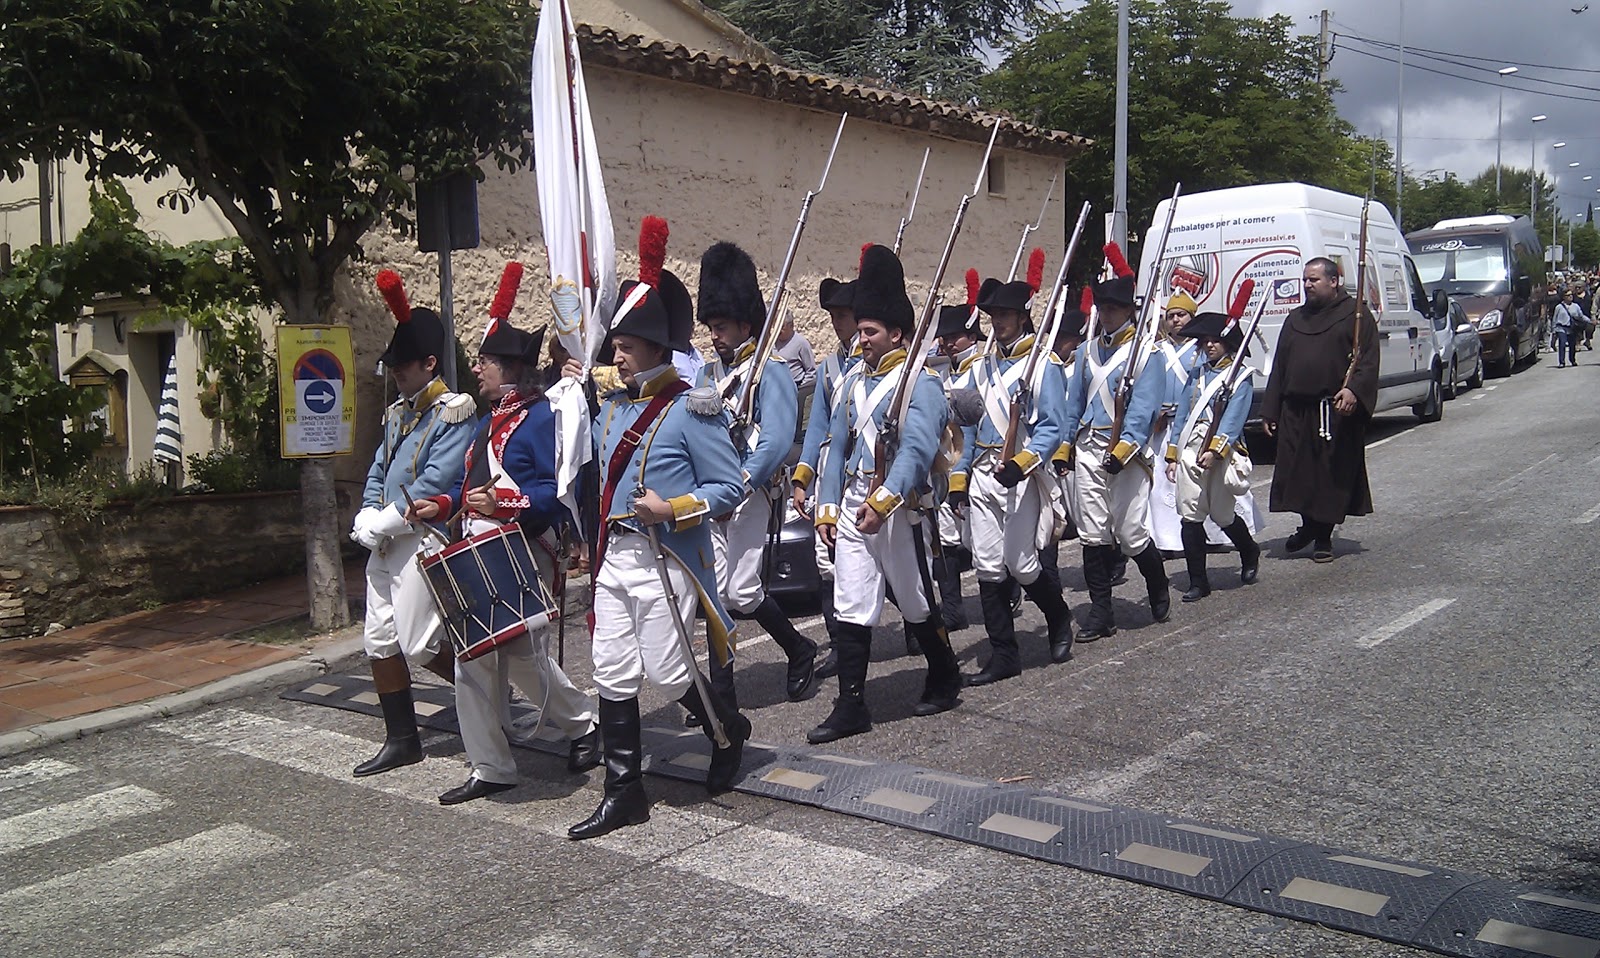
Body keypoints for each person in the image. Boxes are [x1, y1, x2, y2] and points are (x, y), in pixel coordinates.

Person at [566, 217, 750, 841]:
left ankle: (727, 729)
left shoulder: (692, 409)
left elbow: (730, 487)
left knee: (670, 674)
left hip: (664, 557)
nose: (615, 355)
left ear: (654, 348)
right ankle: (624, 792)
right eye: (615, 345)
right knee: (611, 669)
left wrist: (671, 509)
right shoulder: (615, 408)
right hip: (615, 557)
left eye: (625, 346)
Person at [405, 263, 600, 805]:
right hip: (477, 550)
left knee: (522, 659)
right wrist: (442, 504)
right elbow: (469, 485)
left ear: (510, 369)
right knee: (471, 661)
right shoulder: (485, 421)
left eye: (485, 361)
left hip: (522, 550)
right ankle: (491, 766)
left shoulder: (539, 418)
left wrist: (503, 503)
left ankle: (584, 722)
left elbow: (552, 494)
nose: (477, 368)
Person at [808, 244, 961, 744]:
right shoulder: (853, 380)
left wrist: (883, 501)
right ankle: (851, 704)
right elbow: (836, 445)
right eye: (860, 331)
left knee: (915, 602)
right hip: (856, 504)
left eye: (870, 331)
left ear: (896, 333)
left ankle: (945, 674)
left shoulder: (921, 383)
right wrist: (827, 507)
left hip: (899, 509)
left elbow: (917, 449)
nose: (861, 339)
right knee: (851, 601)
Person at [349, 270, 476, 777]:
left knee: (421, 643)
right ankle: (402, 739)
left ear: (430, 363)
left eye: (403, 366)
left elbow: (434, 482)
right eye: (394, 365)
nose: (396, 373)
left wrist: (381, 523)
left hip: (421, 538)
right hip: (385, 542)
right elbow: (378, 470)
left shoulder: (454, 412)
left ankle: (486, 695)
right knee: (380, 639)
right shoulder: (397, 415)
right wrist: (365, 513)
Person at [695, 241, 818, 705]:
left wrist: (738, 485)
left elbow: (776, 441)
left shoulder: (772, 373)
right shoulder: (708, 376)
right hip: (712, 495)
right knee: (713, 593)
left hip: (751, 491)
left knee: (743, 591)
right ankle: (721, 694)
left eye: (722, 327)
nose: (714, 336)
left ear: (746, 325)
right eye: (711, 327)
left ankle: (799, 649)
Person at [952, 253, 1075, 686]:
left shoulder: (1044, 366)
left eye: (1005, 314)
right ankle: (1004, 654)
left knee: (1022, 564)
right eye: (993, 315)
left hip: (1020, 475)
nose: (998, 322)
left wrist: (1022, 465)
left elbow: (1053, 427)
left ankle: (1058, 618)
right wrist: (959, 478)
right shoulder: (980, 367)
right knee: (987, 566)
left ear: (1023, 317)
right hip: (984, 473)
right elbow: (969, 427)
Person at [1058, 244, 1170, 640]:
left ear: (1127, 312)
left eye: (1113, 309)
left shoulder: (1147, 354)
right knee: (1092, 533)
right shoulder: (1086, 351)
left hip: (1126, 454)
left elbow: (1144, 409)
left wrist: (1123, 451)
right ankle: (1100, 612)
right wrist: (1065, 447)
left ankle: (1157, 583)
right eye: (1102, 309)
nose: (1106, 315)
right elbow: (1073, 404)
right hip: (1089, 448)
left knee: (1130, 533)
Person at [1260, 256, 1379, 563]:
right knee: (1298, 475)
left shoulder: (1356, 316)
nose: (1307, 284)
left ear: (1333, 281)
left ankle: (1322, 537)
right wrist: (1270, 409)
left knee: (1327, 476)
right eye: (1305, 280)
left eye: (1313, 279)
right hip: (1296, 410)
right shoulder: (1295, 319)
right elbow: (1280, 366)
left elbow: (1367, 361)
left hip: (1332, 411)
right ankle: (1309, 526)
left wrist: (1353, 390)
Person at [1163, 300, 1262, 602]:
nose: (1209, 345)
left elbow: (1233, 419)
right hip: (1191, 448)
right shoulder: (1197, 374)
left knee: (1222, 514)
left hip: (1221, 452)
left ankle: (1249, 551)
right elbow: (1183, 413)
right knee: (1190, 516)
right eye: (1205, 341)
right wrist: (1173, 454)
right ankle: (1198, 581)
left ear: (1227, 343)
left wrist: (1215, 451)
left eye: (1215, 340)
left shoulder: (1240, 376)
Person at [792, 275, 860, 679]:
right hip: (830, 472)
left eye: (843, 315)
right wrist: (803, 477)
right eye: (833, 316)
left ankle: (917, 624)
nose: (837, 323)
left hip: (864, 471)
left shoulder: (874, 364)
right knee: (826, 562)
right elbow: (817, 424)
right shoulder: (829, 367)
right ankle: (840, 645)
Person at [1146, 290, 1199, 554]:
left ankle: (1210, 535)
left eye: (1181, 315)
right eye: (1171, 316)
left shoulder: (1201, 349)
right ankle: (1168, 539)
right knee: (1162, 483)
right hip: (1162, 425)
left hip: (1191, 424)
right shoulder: (1155, 351)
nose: (1176, 320)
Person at [773, 310, 817, 391]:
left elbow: (811, 371)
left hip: (795, 388)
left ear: (791, 326)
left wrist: (801, 390)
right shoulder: (771, 342)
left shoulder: (801, 343)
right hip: (775, 388)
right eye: (775, 326)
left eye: (782, 327)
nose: (778, 330)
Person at [1552, 287, 1587, 367]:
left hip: (1571, 328)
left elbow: (1581, 316)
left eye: (1571, 295)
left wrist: (1590, 321)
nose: (1570, 296)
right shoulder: (1559, 307)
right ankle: (1562, 362)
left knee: (1572, 345)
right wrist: (1553, 330)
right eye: (1568, 295)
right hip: (1561, 328)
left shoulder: (1575, 306)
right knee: (1562, 344)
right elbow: (1554, 319)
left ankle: (1572, 360)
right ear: (1564, 297)